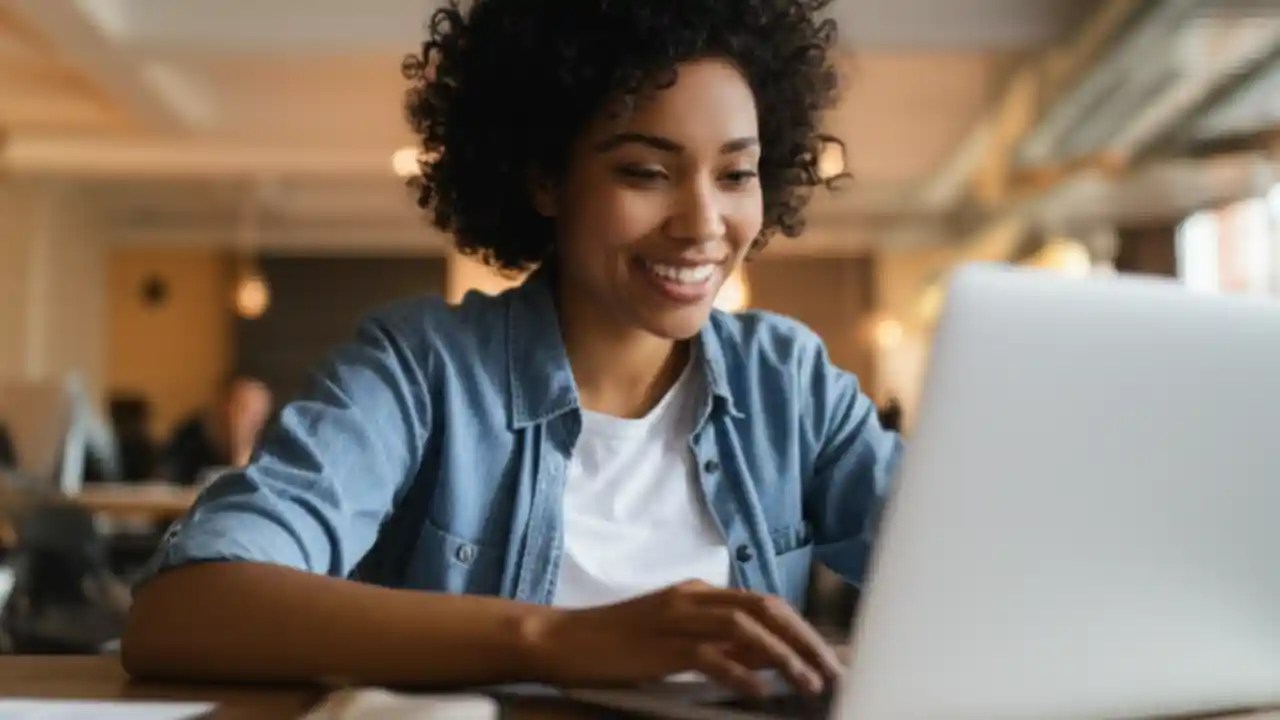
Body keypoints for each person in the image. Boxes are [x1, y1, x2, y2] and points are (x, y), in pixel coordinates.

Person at [123, 0, 901, 699]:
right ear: (545, 177)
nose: (703, 223)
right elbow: (185, 608)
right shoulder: (422, 370)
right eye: (645, 172)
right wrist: (555, 641)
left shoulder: (788, 383)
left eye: (736, 174)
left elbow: (959, 568)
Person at [159, 374, 272, 485]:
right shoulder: (191, 436)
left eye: (256, 412)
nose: (244, 418)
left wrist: (241, 449)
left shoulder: (270, 444)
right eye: (241, 407)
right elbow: (164, 480)